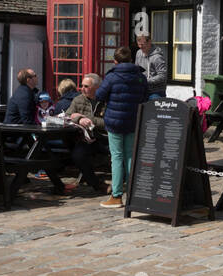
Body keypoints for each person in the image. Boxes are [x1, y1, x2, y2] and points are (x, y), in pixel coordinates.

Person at [97, 46, 149, 208]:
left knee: (117, 157)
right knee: (130, 156)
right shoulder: (140, 77)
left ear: (115, 61)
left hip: (114, 121)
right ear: (131, 60)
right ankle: (133, 194)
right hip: (133, 120)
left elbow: (99, 95)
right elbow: (146, 97)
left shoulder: (112, 76)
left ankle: (117, 195)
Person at [55, 75, 107, 195]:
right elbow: (67, 116)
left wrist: (87, 119)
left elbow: (108, 123)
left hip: (103, 137)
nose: (82, 89)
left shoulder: (105, 101)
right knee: (78, 154)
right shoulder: (78, 100)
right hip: (85, 138)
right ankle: (97, 184)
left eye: (86, 86)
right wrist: (78, 119)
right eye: (82, 85)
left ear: (96, 87)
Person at [135, 34, 168, 99]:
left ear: (149, 42)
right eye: (139, 44)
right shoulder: (138, 53)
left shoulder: (157, 57)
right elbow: (137, 70)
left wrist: (146, 81)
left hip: (156, 92)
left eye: (142, 44)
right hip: (143, 90)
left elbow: (162, 76)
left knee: (153, 109)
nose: (140, 47)